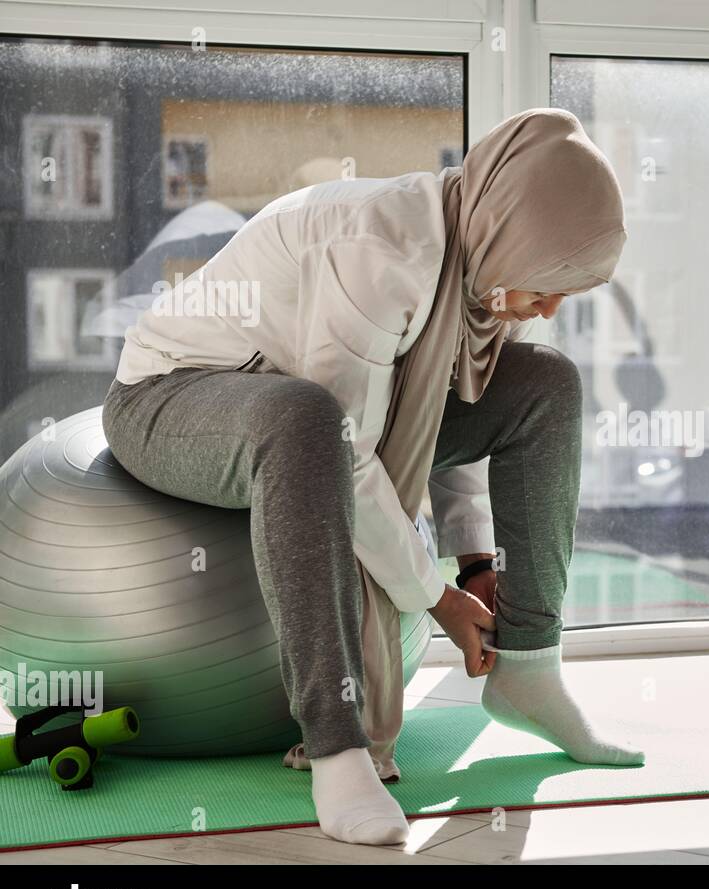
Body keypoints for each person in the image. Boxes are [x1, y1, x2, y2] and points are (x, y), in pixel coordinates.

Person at [100, 108, 644, 847]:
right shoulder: (380, 254)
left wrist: (478, 560)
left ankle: (531, 670)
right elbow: (349, 454)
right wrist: (437, 598)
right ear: (509, 231)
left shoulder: (475, 250)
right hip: (172, 397)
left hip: (308, 413)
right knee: (306, 421)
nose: (549, 306)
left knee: (546, 385)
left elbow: (429, 406)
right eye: (548, 284)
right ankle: (336, 745)